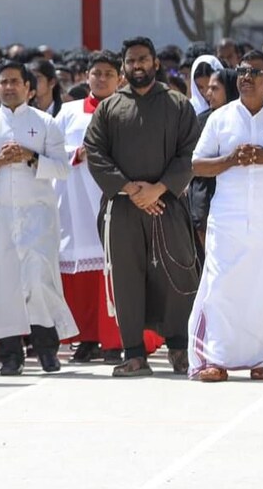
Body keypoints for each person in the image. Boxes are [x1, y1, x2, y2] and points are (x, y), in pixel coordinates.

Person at [188, 50, 263, 381]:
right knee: (222, 290)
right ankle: (214, 359)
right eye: (242, 71)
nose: (245, 77)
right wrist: (230, 159)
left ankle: (258, 359)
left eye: (254, 72)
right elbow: (197, 165)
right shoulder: (221, 118)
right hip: (226, 219)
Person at [84, 36, 201, 377]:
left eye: (143, 59)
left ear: (155, 63)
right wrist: (130, 188)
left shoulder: (177, 104)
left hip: (167, 203)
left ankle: (179, 349)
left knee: (177, 272)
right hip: (123, 206)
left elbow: (190, 153)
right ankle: (134, 353)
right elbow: (95, 152)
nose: (138, 66)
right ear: (125, 66)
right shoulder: (109, 108)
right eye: (132, 61)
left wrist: (160, 189)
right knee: (126, 278)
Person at [0, 61, 77, 375]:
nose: (9, 87)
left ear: (29, 87)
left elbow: (63, 167)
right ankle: (10, 355)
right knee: (2, 284)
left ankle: (47, 351)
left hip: (37, 216)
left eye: (15, 81)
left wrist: (30, 157)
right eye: (3, 82)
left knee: (39, 282)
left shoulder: (45, 123)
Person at [56, 51, 128, 364]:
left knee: (113, 269)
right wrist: (76, 152)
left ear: (119, 79)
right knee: (81, 270)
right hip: (75, 200)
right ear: (87, 76)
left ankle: (113, 340)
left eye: (108, 74)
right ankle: (86, 338)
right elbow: (52, 151)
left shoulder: (126, 110)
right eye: (95, 73)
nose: (100, 79)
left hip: (112, 196)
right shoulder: (69, 112)